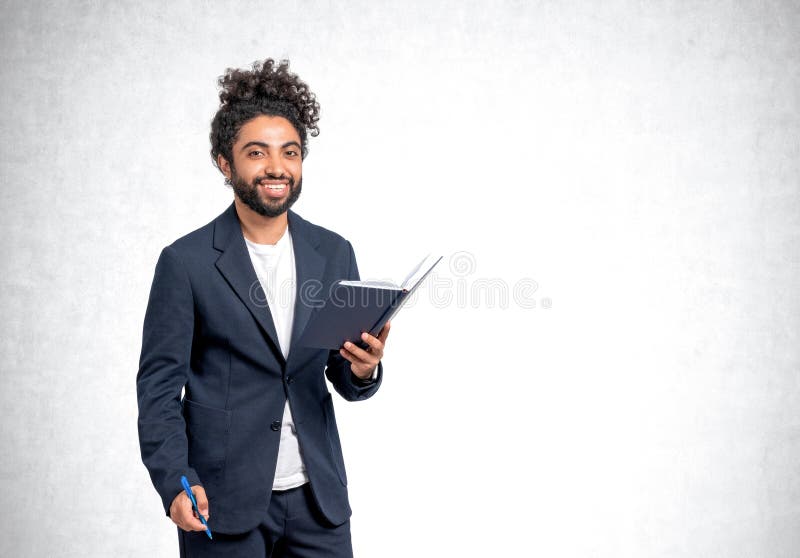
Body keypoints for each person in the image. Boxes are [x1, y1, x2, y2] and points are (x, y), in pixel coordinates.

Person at [136, 58, 390, 557]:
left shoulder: (334, 252)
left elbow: (342, 375)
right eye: (258, 152)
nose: (277, 167)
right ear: (225, 163)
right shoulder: (185, 262)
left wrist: (364, 369)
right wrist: (174, 483)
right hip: (220, 503)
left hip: (320, 503)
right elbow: (158, 389)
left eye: (290, 153)